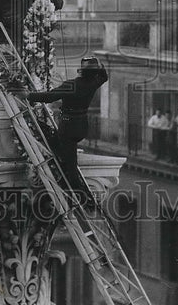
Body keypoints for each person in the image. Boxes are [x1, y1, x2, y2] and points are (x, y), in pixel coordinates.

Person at [8, 57, 108, 201]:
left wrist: (27, 95)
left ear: (82, 71)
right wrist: (99, 64)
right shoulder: (93, 83)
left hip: (68, 128)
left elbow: (49, 97)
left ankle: (84, 198)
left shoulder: (71, 85)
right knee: (57, 144)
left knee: (70, 166)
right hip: (81, 127)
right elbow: (104, 76)